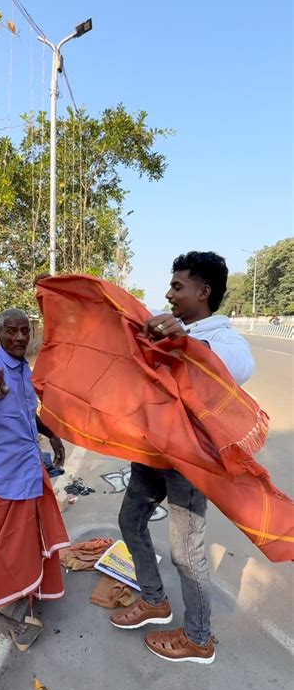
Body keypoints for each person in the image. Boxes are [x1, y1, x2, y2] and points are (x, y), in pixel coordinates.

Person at [111, 251, 255, 664]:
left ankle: (199, 638)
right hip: (153, 450)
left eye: (178, 287)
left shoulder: (221, 337)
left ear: (203, 292)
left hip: (188, 462)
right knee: (130, 520)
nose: (169, 295)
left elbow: (241, 366)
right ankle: (155, 600)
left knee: (185, 551)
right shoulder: (166, 323)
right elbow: (122, 319)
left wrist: (186, 341)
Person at [0, 308, 69, 648]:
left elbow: (26, 411)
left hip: (28, 468)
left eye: (25, 331)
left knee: (27, 538)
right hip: (3, 476)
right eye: (11, 332)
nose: (20, 337)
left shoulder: (23, 369)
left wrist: (52, 435)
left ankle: (25, 586)